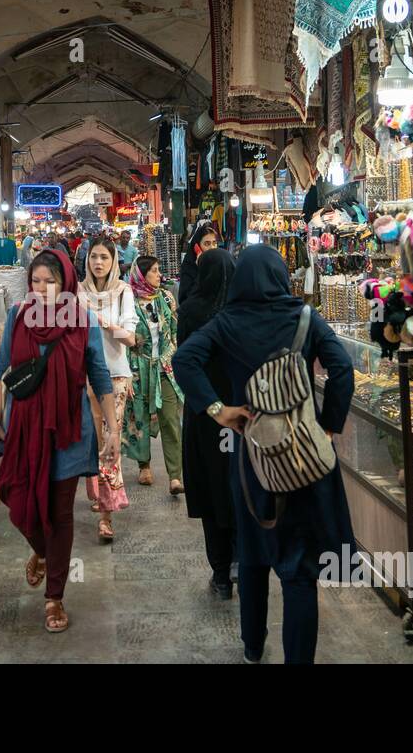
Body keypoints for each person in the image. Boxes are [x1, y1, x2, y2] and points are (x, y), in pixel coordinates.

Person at [171, 245, 355, 664]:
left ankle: (253, 647)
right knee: (300, 570)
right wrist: (327, 427)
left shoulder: (226, 323)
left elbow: (184, 360)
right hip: (306, 461)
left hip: (251, 458)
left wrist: (219, 410)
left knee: (253, 556)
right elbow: (342, 368)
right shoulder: (305, 319)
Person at [0, 249, 118, 634]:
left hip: (68, 431)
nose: (41, 290)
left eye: (50, 282)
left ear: (66, 284)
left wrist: (113, 429)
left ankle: (54, 596)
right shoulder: (18, 316)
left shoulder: (82, 320)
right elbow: (0, 371)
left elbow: (100, 376)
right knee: (17, 497)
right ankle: (41, 551)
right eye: (36, 281)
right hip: (24, 427)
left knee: (60, 514)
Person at [176, 248, 237, 599]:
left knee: (211, 488)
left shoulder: (191, 310)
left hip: (204, 413)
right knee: (238, 485)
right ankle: (240, 560)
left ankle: (220, 574)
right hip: (239, 414)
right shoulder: (242, 313)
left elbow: (185, 358)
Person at [77, 237, 137, 542]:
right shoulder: (77, 292)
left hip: (114, 376)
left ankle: (106, 515)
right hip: (83, 377)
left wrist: (97, 319)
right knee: (91, 440)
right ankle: (98, 494)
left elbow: (130, 337)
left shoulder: (123, 292)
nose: (98, 263)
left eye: (104, 257)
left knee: (108, 445)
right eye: (93, 257)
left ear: (114, 261)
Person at [123, 255, 184, 494]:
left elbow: (175, 331)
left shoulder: (167, 299)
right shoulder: (128, 302)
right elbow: (125, 340)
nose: (160, 275)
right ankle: (144, 466)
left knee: (170, 418)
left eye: (159, 270)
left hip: (164, 369)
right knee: (139, 418)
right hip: (138, 370)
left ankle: (175, 476)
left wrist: (171, 354)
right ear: (142, 275)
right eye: (155, 271)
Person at [176, 222, 219, 305]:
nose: (212, 248)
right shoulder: (189, 267)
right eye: (207, 244)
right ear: (197, 247)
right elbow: (186, 300)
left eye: (214, 243)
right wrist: (201, 268)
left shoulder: (220, 264)